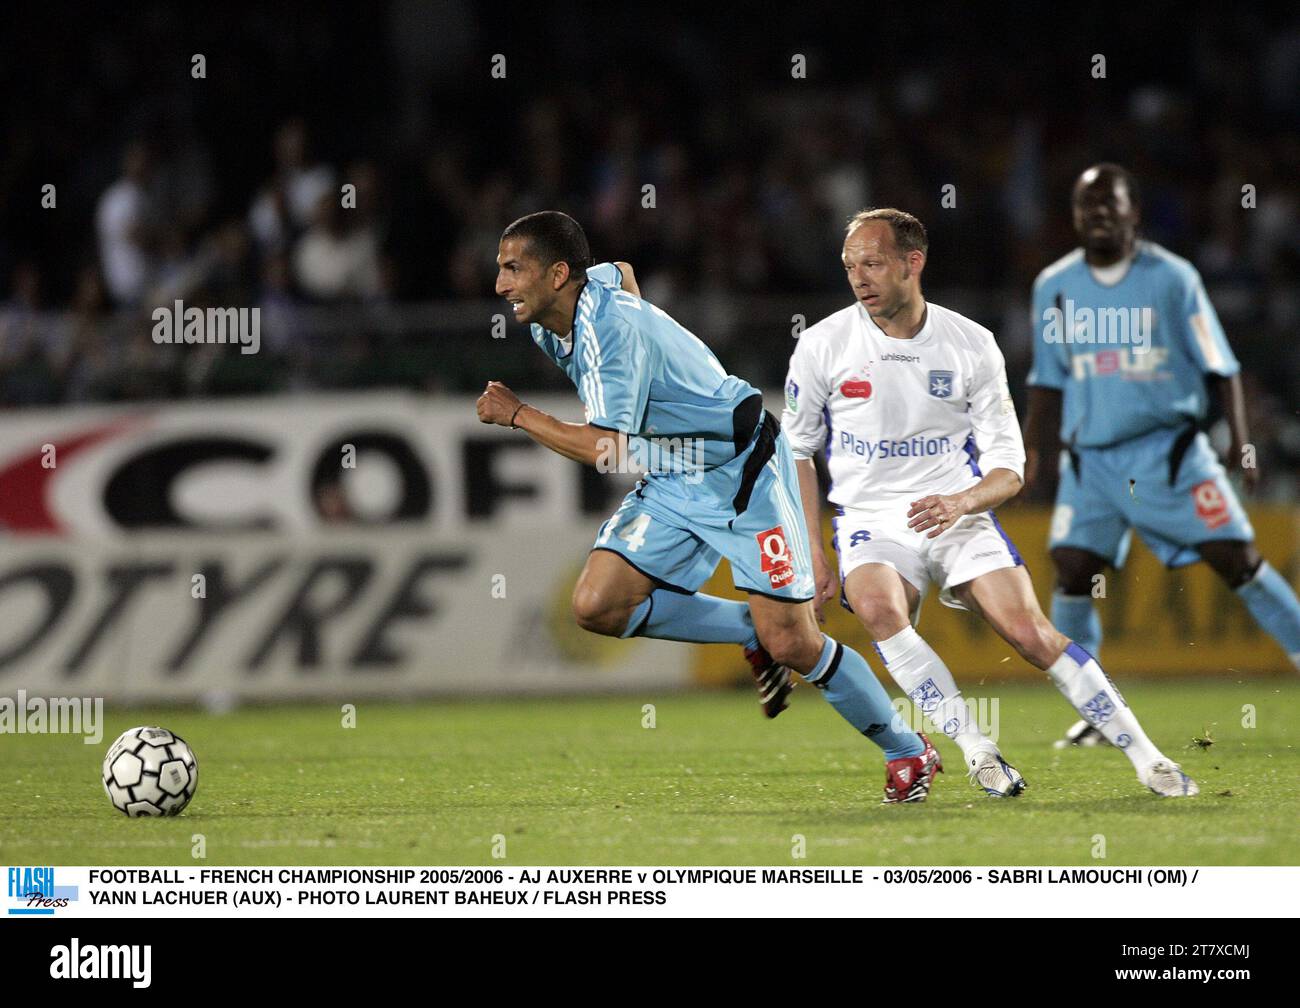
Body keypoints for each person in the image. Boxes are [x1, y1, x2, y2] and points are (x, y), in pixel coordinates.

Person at [479, 210, 940, 804]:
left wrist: (520, 416)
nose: (500, 285)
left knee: (796, 644)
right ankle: (751, 628)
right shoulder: (569, 304)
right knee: (598, 605)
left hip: (742, 469)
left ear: (558, 272)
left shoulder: (607, 331)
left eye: (513, 269)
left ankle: (908, 751)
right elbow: (620, 270)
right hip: (675, 473)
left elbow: (606, 449)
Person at [784, 207, 1197, 797]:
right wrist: (812, 557)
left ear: (912, 262)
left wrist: (961, 502)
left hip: (959, 512)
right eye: (850, 266)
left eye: (872, 263)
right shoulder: (823, 344)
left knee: (1030, 634)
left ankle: (1149, 759)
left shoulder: (971, 344)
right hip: (870, 522)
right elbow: (796, 451)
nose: (859, 278)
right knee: (878, 610)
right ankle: (979, 752)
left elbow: (1012, 469)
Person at [1023, 164, 1300, 747]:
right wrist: (1031, 449)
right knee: (1072, 570)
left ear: (1134, 212)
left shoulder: (1174, 279)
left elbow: (1221, 367)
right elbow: (1047, 378)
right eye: (1085, 206)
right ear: (1073, 217)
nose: (1097, 214)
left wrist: (1243, 441)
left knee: (1237, 559)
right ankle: (1100, 710)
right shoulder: (1054, 285)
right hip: (1090, 460)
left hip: (1167, 453)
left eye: (1109, 204)